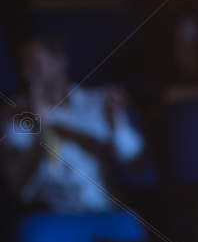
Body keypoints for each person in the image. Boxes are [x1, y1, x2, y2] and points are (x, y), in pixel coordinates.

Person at [1, 34, 144, 212]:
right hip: (51, 215)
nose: (27, 74)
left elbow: (137, 167)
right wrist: (40, 128)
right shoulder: (15, 115)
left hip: (104, 209)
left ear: (59, 62)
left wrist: (119, 129)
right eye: (23, 66)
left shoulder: (98, 103)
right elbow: (17, 188)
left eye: (35, 65)